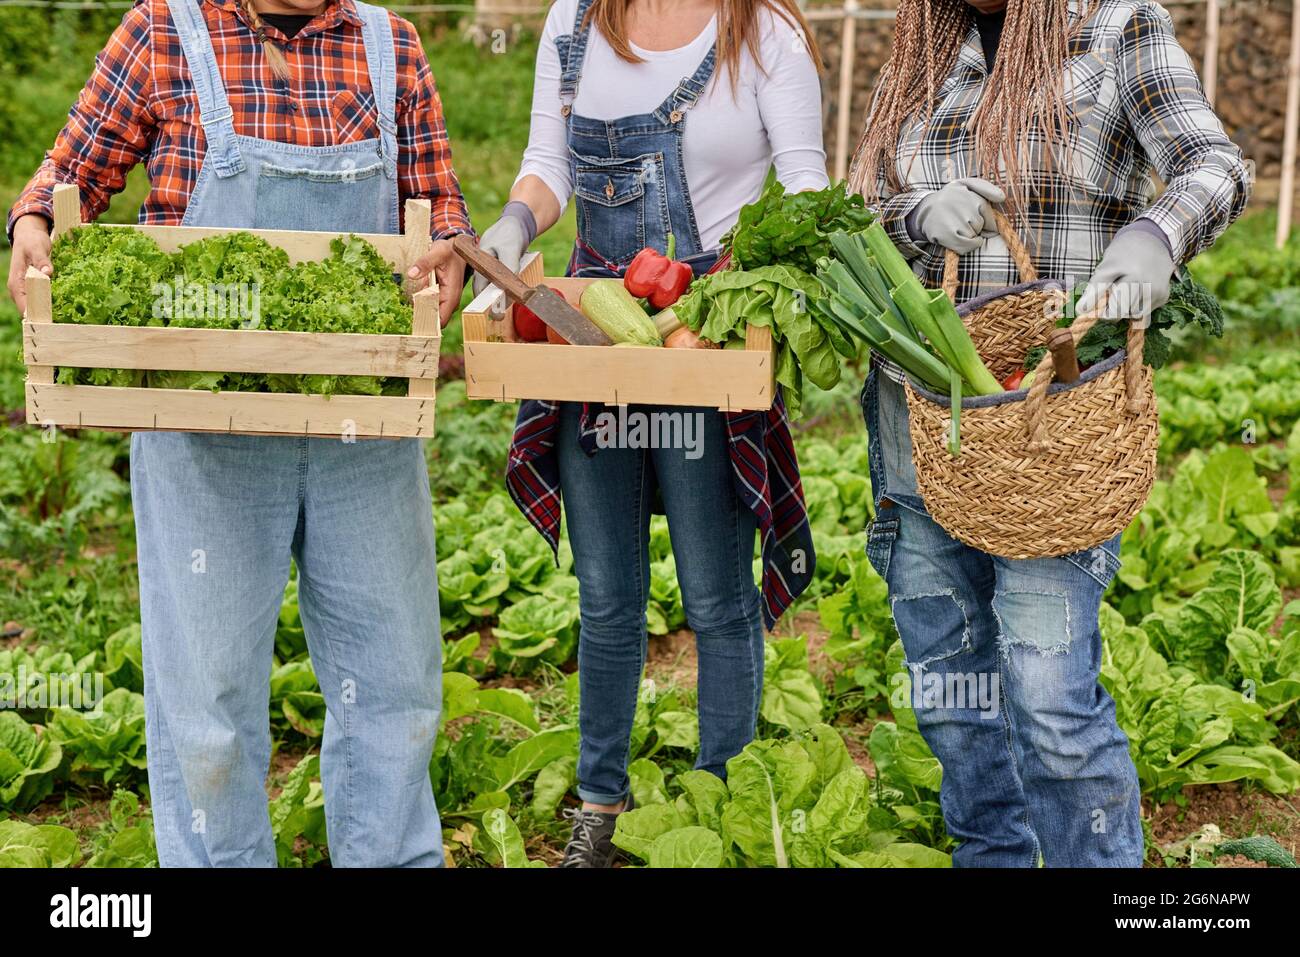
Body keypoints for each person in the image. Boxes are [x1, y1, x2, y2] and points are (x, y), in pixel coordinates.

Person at [7, 0, 472, 867]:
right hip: (203, 432)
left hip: (360, 430)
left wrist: (449, 249)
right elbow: (60, 180)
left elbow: (440, 208)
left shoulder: (391, 46)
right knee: (208, 708)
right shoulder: (161, 33)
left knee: (395, 689)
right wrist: (32, 225)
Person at [849, 0, 1249, 867]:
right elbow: (858, 211)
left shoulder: (1115, 25)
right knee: (951, 691)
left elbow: (1212, 164)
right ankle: (989, 856)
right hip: (918, 418)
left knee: (1050, 699)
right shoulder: (925, 39)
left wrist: (1154, 236)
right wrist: (919, 217)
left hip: (1047, 430)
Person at [475, 0, 827, 867]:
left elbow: (808, 187)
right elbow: (545, 165)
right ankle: (601, 803)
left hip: (703, 328)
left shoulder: (766, 35)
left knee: (715, 595)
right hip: (596, 329)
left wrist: (732, 294)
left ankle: (721, 801)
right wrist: (515, 226)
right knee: (606, 598)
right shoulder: (573, 20)